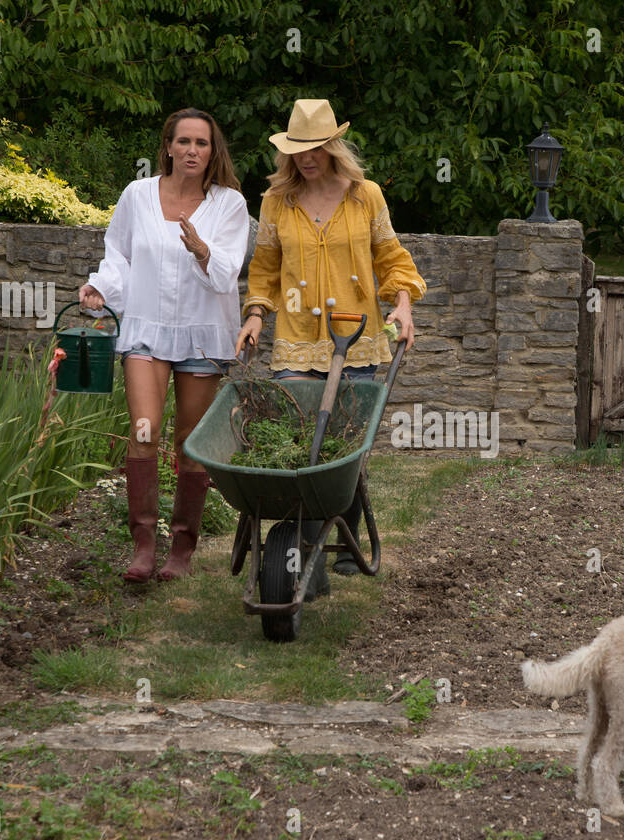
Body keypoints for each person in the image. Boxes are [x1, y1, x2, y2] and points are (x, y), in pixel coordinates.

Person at [236, 98, 425, 596]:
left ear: (333, 146)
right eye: (298, 149)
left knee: (345, 448)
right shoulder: (277, 200)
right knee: (301, 444)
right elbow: (266, 267)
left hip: (356, 339)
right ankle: (305, 553)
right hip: (298, 340)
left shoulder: (366, 196)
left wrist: (402, 305)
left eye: (316, 147)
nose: (307, 157)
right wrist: (256, 314)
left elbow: (391, 259)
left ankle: (344, 528)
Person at [80, 107, 249, 583]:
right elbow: (119, 256)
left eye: (202, 143)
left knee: (190, 444)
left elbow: (226, 273)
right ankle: (143, 545)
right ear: (169, 147)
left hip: (202, 332)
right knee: (143, 430)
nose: (193, 150)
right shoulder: (137, 195)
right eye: (184, 142)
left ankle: (182, 549)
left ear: (212, 152)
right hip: (147, 330)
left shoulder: (229, 205)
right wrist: (101, 290)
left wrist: (202, 249)